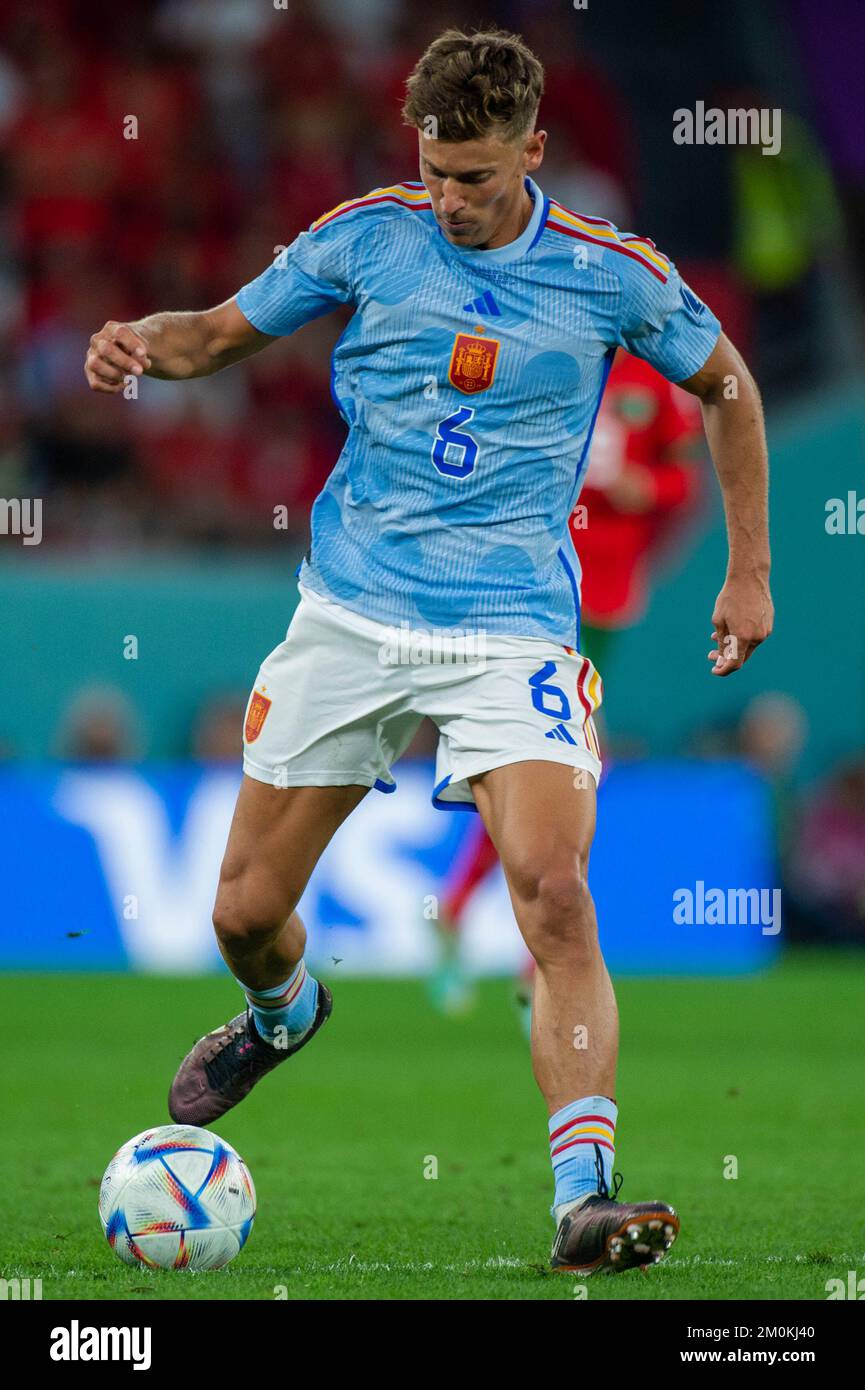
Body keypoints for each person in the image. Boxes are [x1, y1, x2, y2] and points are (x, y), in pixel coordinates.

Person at [84, 26, 773, 1276]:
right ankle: (285, 1014)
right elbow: (218, 335)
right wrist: (142, 336)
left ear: (534, 152)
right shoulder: (365, 234)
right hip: (349, 614)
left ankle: (585, 1196)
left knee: (553, 892)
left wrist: (748, 569)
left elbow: (725, 386)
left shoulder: (609, 274)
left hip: (512, 627)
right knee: (245, 912)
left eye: (476, 176)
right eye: (436, 170)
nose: (450, 199)